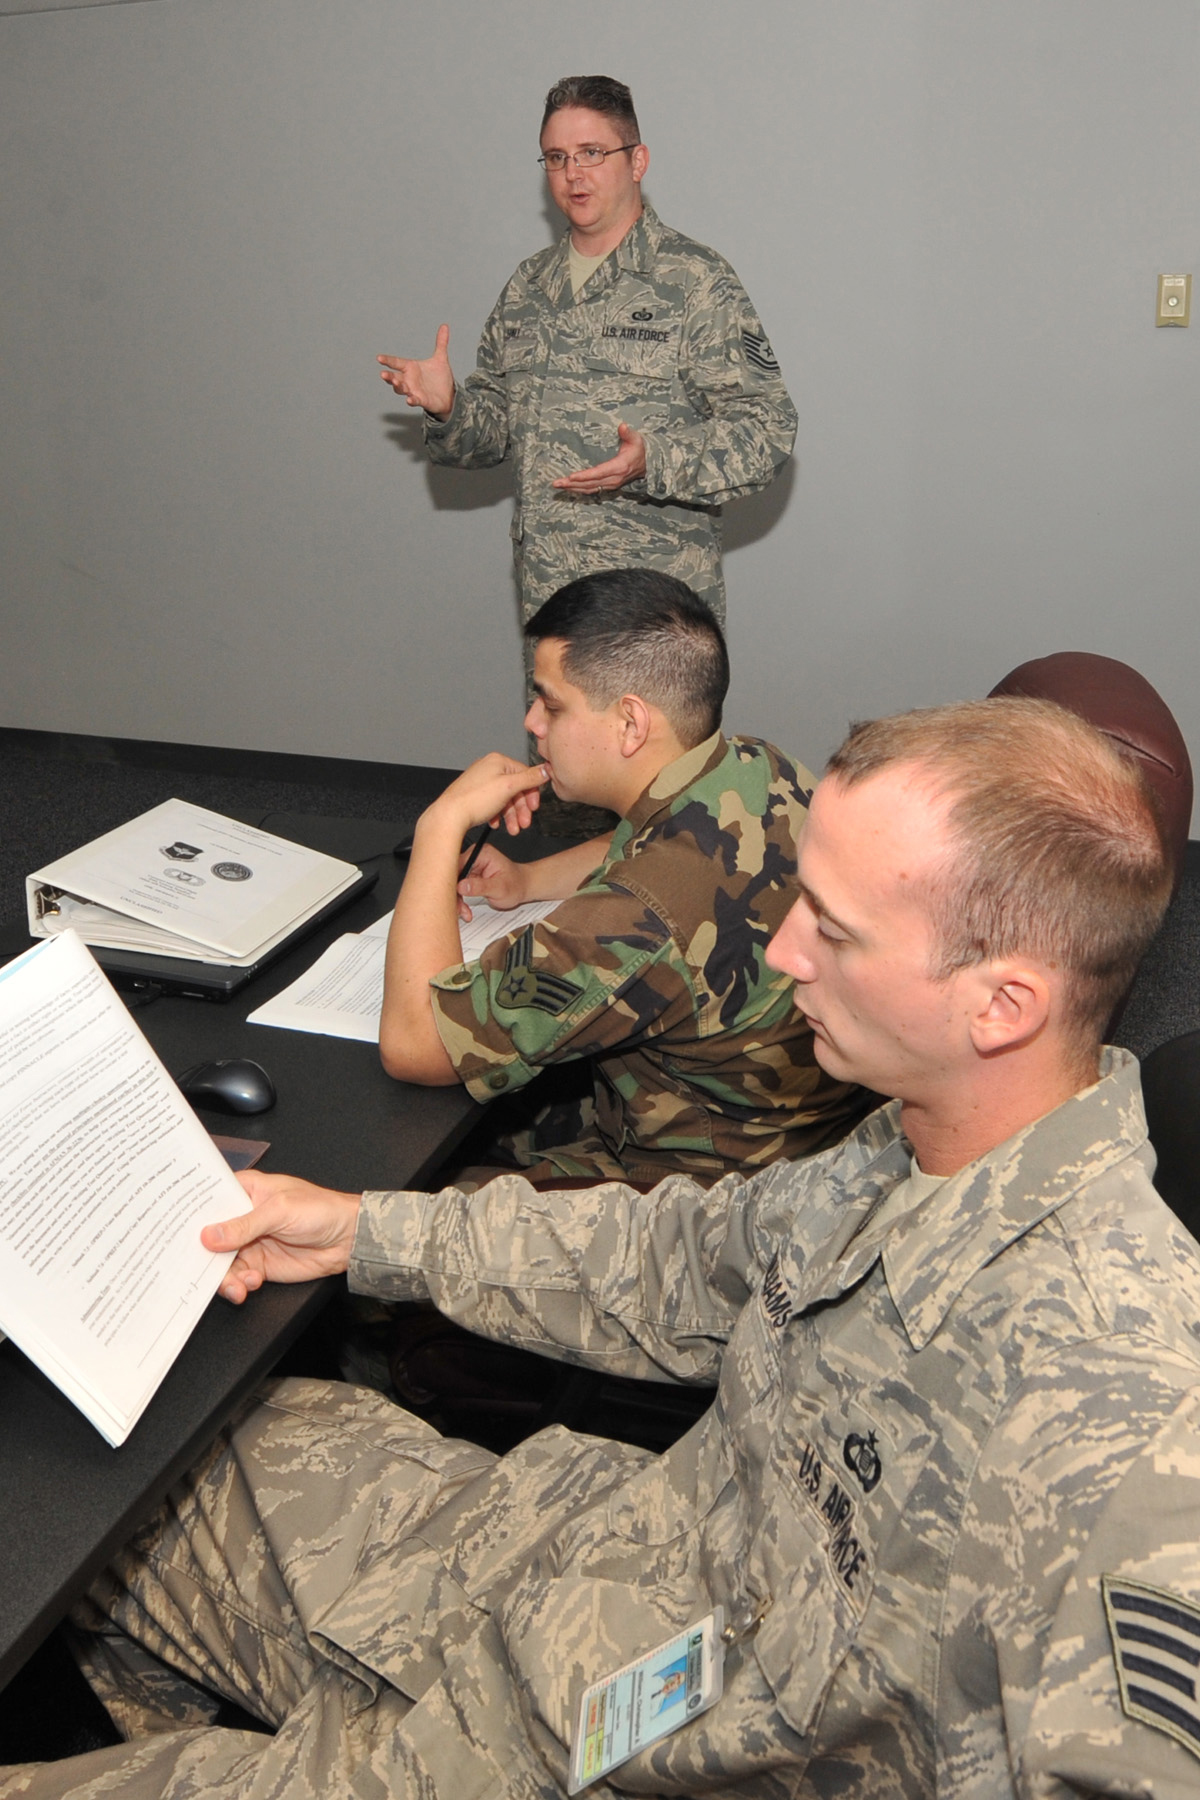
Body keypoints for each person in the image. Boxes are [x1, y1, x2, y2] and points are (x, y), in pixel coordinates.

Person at [11, 697, 1200, 1799]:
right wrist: (364, 1232)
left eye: (832, 931)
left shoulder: (1119, 1405)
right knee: (146, 1459)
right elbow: (681, 1259)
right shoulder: (920, 1137)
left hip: (610, 1763)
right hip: (572, 1578)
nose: (782, 955)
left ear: (1002, 1005)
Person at [379, 567, 864, 1183]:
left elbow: (414, 1045)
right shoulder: (755, 765)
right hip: (803, 1129)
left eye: (551, 703)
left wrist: (439, 827)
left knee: (422, 1188)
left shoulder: (634, 920)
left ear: (631, 724)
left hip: (701, 1188)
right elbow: (655, 840)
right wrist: (529, 881)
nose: (532, 722)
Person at [377, 75, 796, 631]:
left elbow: (766, 428)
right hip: (551, 607)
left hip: (653, 613)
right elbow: (497, 431)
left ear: (637, 160)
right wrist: (449, 407)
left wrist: (654, 459)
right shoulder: (529, 285)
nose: (573, 173)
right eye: (556, 157)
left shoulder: (695, 280)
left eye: (592, 153)